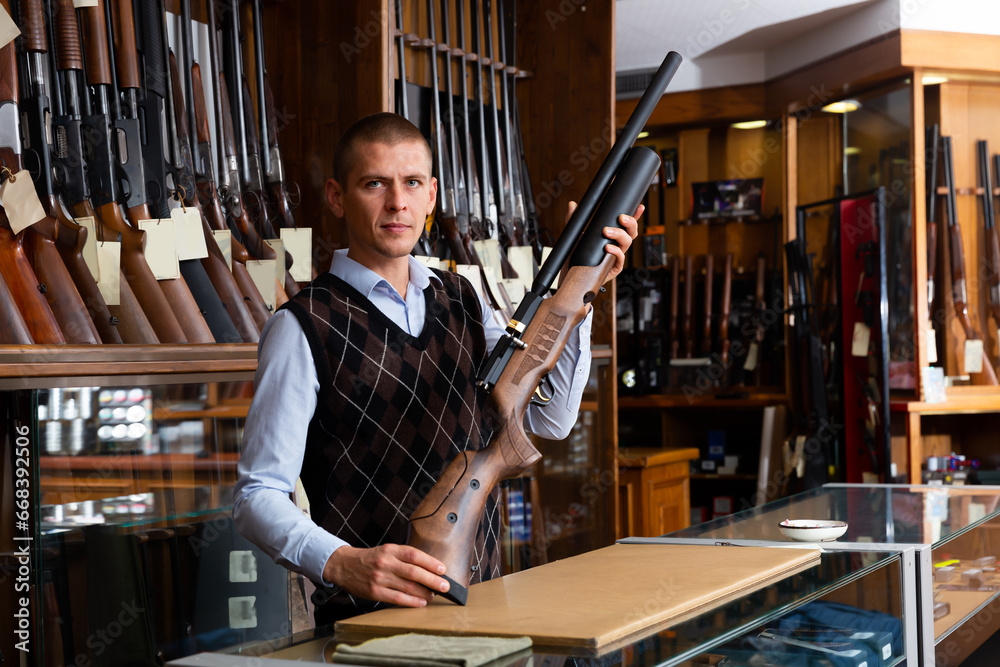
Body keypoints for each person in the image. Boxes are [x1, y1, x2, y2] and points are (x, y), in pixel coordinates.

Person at [233, 112, 640, 625]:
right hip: (368, 626)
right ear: (337, 197)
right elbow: (257, 497)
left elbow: (548, 419)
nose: (397, 202)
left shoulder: (463, 300)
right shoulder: (302, 326)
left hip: (484, 609)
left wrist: (584, 289)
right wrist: (343, 563)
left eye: (412, 183)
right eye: (374, 183)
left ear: (431, 197)